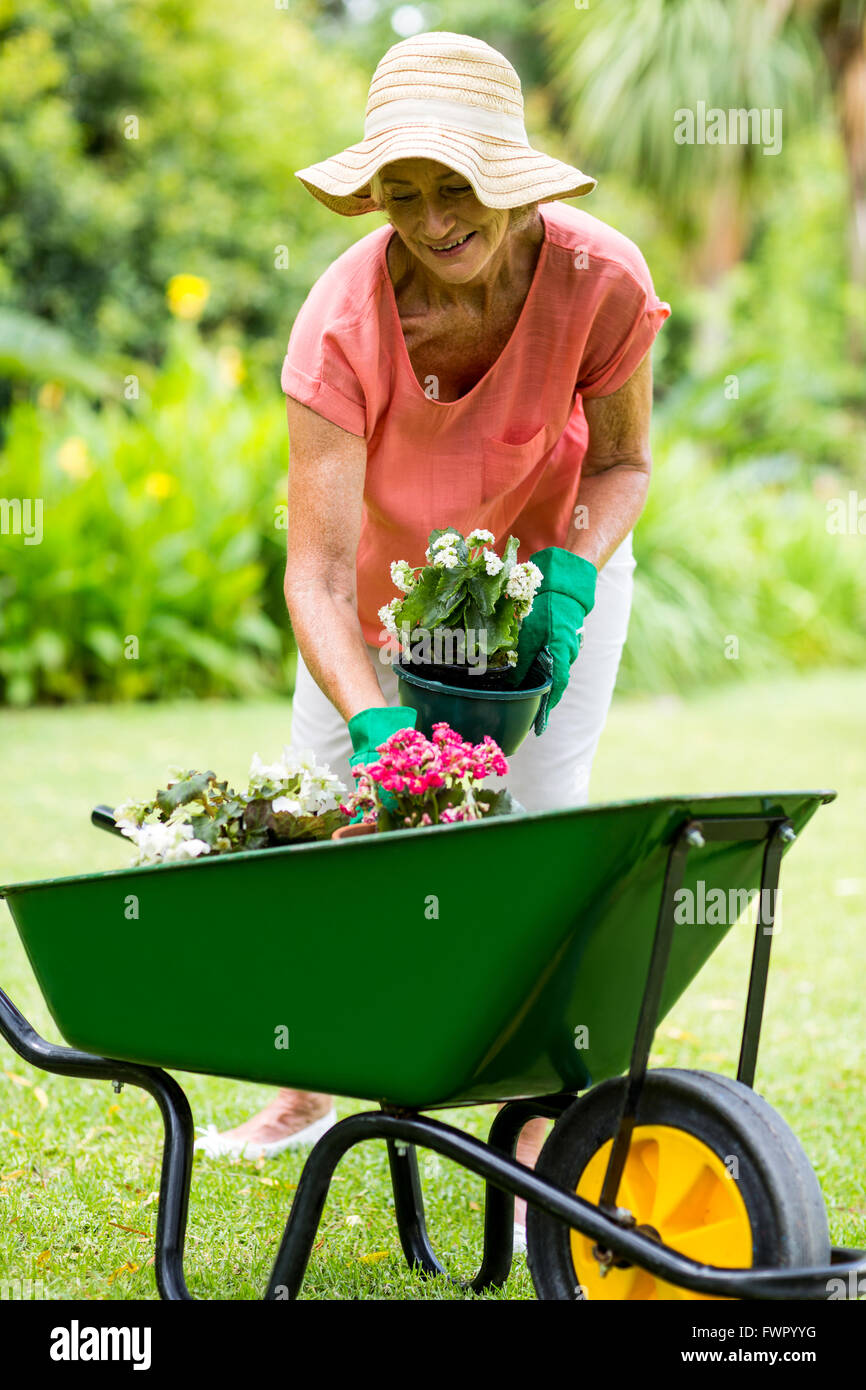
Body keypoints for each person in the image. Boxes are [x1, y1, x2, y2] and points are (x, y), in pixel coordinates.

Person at [195, 31, 670, 1246]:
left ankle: (522, 1112)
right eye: (400, 193)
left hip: (545, 565)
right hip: (373, 593)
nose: (429, 218)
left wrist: (565, 578)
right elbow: (309, 574)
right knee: (329, 818)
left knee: (536, 825)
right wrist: (378, 721)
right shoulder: (341, 326)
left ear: (509, 181)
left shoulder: (599, 277)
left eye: (453, 187)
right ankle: (307, 1078)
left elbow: (620, 462)